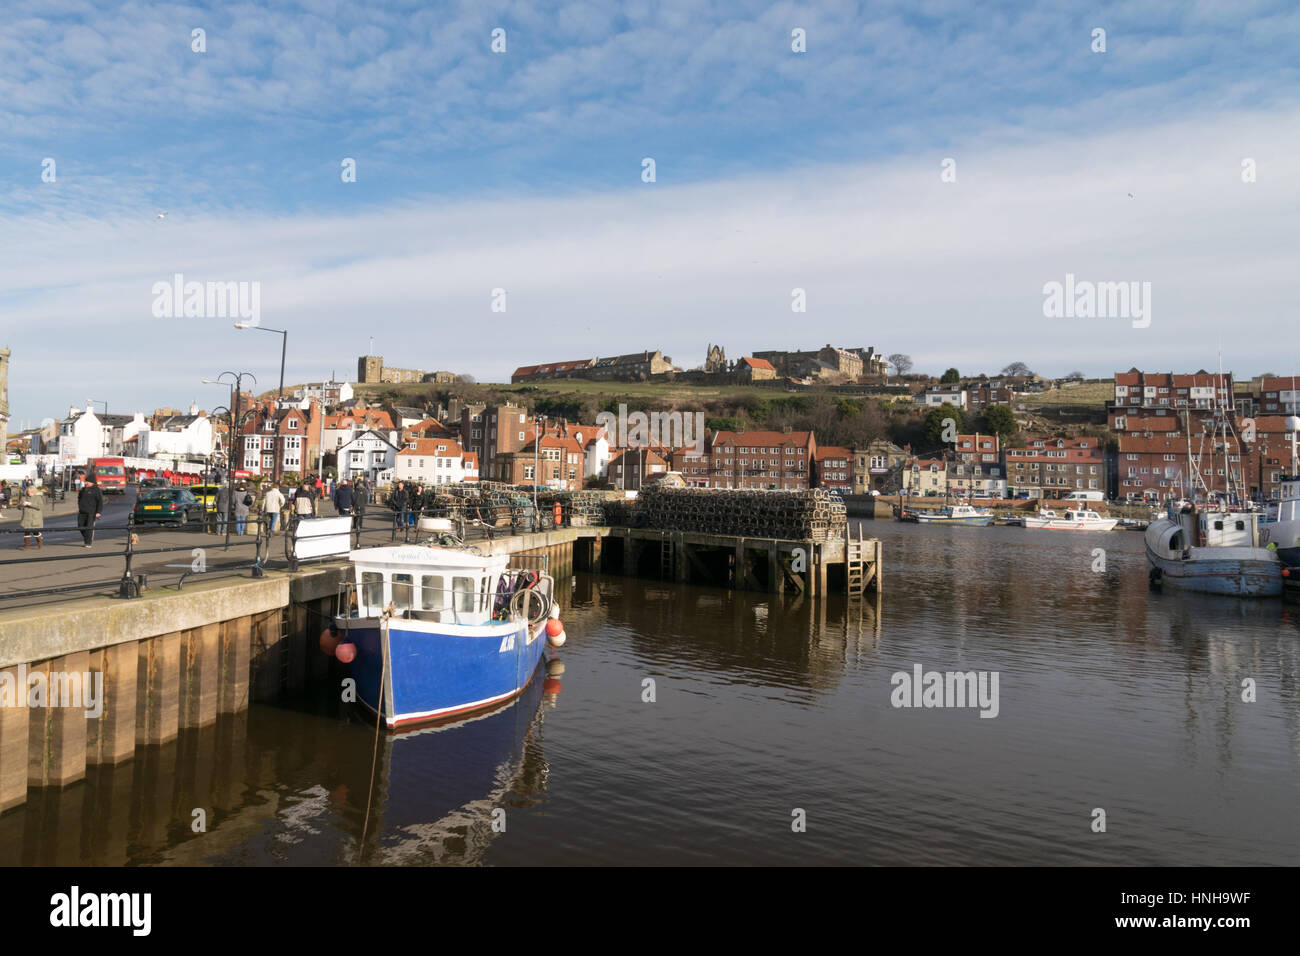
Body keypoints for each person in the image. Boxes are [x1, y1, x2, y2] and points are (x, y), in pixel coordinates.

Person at [77, 475, 103, 548]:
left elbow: (100, 502)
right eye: (86, 481)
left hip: (91, 512)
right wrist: (79, 505)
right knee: (80, 526)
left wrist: (98, 512)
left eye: (87, 481)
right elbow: (79, 498)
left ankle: (88, 543)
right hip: (82, 512)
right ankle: (87, 537)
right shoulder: (82, 490)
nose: (86, 483)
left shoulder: (96, 490)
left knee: (89, 527)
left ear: (92, 482)